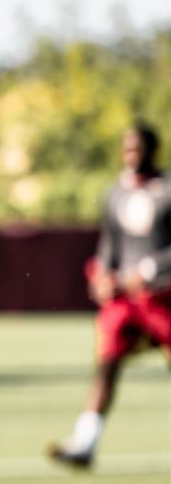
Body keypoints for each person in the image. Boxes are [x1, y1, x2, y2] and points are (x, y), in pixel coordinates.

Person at [48, 122, 171, 469]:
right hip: (126, 300)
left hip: (163, 295)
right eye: (127, 148)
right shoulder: (116, 192)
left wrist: (147, 271)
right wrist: (103, 273)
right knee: (107, 360)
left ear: (152, 150)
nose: (131, 155)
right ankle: (85, 442)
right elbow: (109, 246)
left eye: (138, 149)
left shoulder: (167, 191)